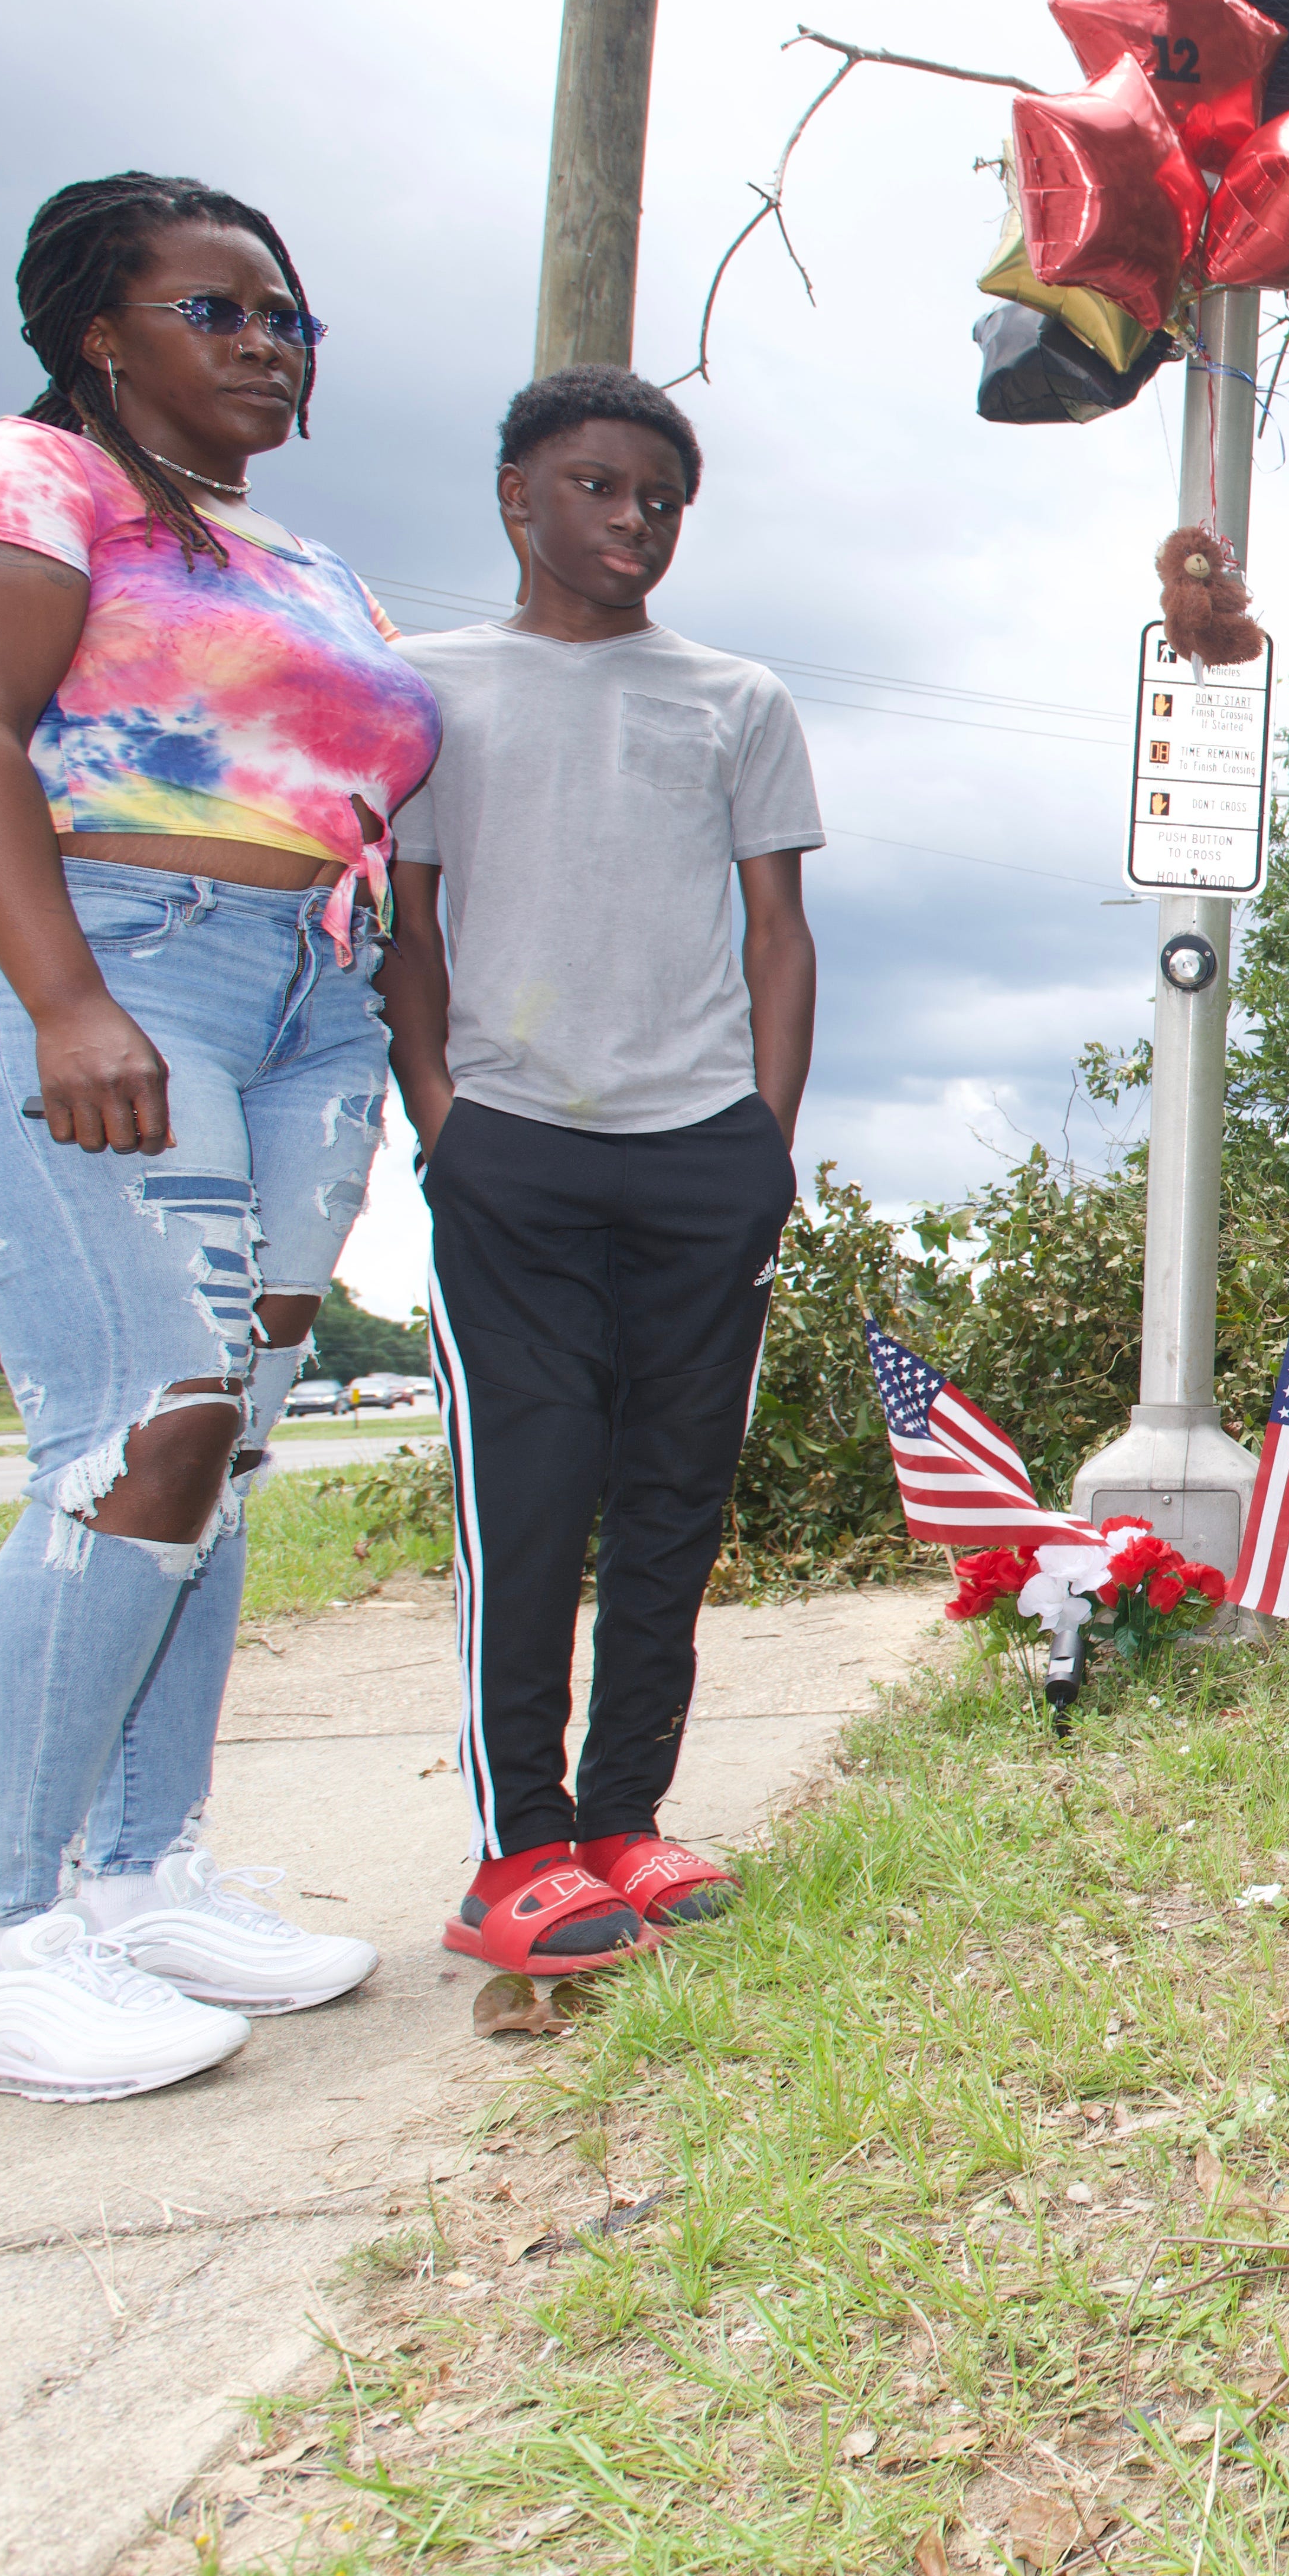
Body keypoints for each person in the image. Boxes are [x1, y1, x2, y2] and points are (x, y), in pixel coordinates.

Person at [0, 174, 423, 2099]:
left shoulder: (302, 564)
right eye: (221, 311)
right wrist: (65, 1003)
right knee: (140, 1433)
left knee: (224, 1463)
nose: (270, 344)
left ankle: (137, 1878)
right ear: (101, 333)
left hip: (304, 1005)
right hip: (119, 962)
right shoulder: (32, 480)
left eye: (289, 318)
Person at [380, 369, 819, 1972]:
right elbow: (407, 927)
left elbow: (778, 931)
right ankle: (520, 1849)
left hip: (700, 1156)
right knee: (535, 1489)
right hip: (517, 1159)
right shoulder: (424, 689)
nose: (633, 519)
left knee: (671, 1505)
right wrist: (443, 1115)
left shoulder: (736, 699)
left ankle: (627, 1821)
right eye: (598, 488)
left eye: (661, 499)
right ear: (518, 498)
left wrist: (762, 1141)